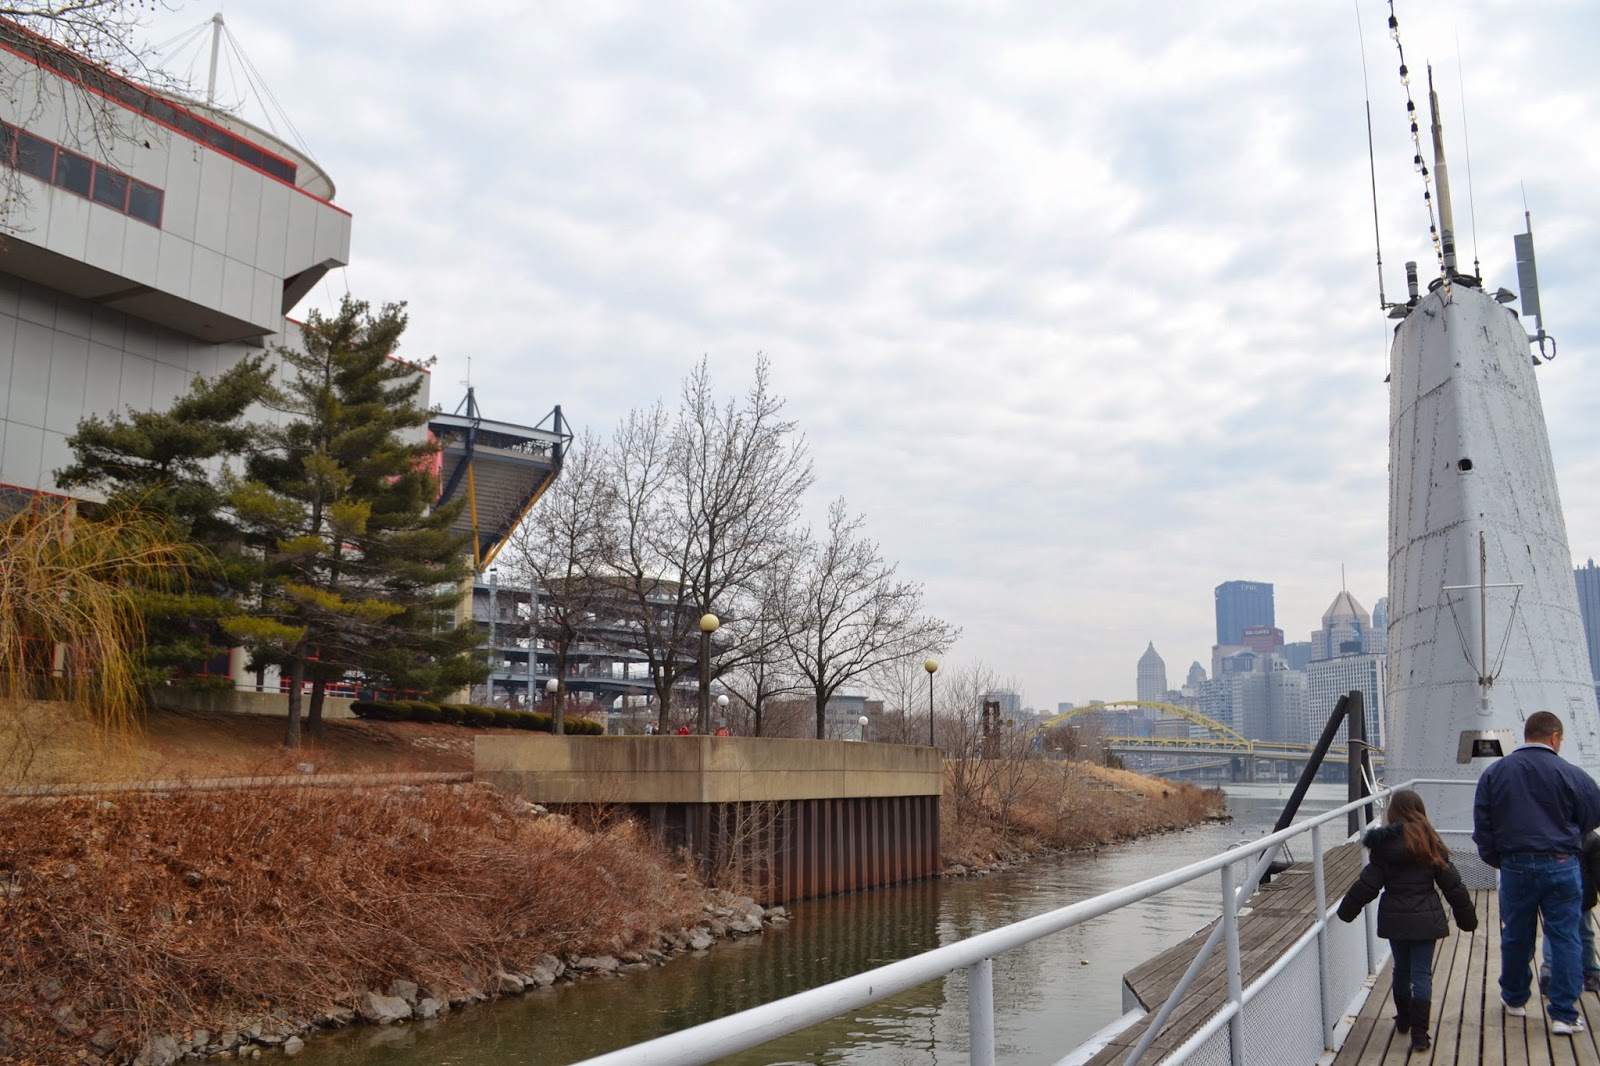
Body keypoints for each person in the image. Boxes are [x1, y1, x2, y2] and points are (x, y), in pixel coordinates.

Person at [1473, 710, 1600, 1035]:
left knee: (1516, 935)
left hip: (1515, 866)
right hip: (1561, 864)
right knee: (1565, 938)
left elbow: (1483, 826)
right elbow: (1591, 817)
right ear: (1555, 737)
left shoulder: (1495, 773)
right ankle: (1563, 1015)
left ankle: (1514, 999)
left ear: (1527, 734)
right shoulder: (1572, 774)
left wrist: (1499, 859)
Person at [1338, 789, 1477, 1053]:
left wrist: (1346, 911)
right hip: (1427, 918)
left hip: (1396, 919)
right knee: (1422, 972)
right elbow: (1453, 886)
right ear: (1419, 809)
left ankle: (1403, 1020)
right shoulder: (1430, 842)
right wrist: (1466, 918)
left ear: (1393, 812)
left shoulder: (1383, 847)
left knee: (1401, 969)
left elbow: (1368, 884)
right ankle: (1420, 1035)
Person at [1540, 830, 1600, 995]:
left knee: (1584, 933)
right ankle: (1549, 971)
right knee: (1557, 931)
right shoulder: (1552, 836)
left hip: (1582, 897)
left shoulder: (1591, 840)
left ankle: (1590, 971)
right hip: (1558, 894)